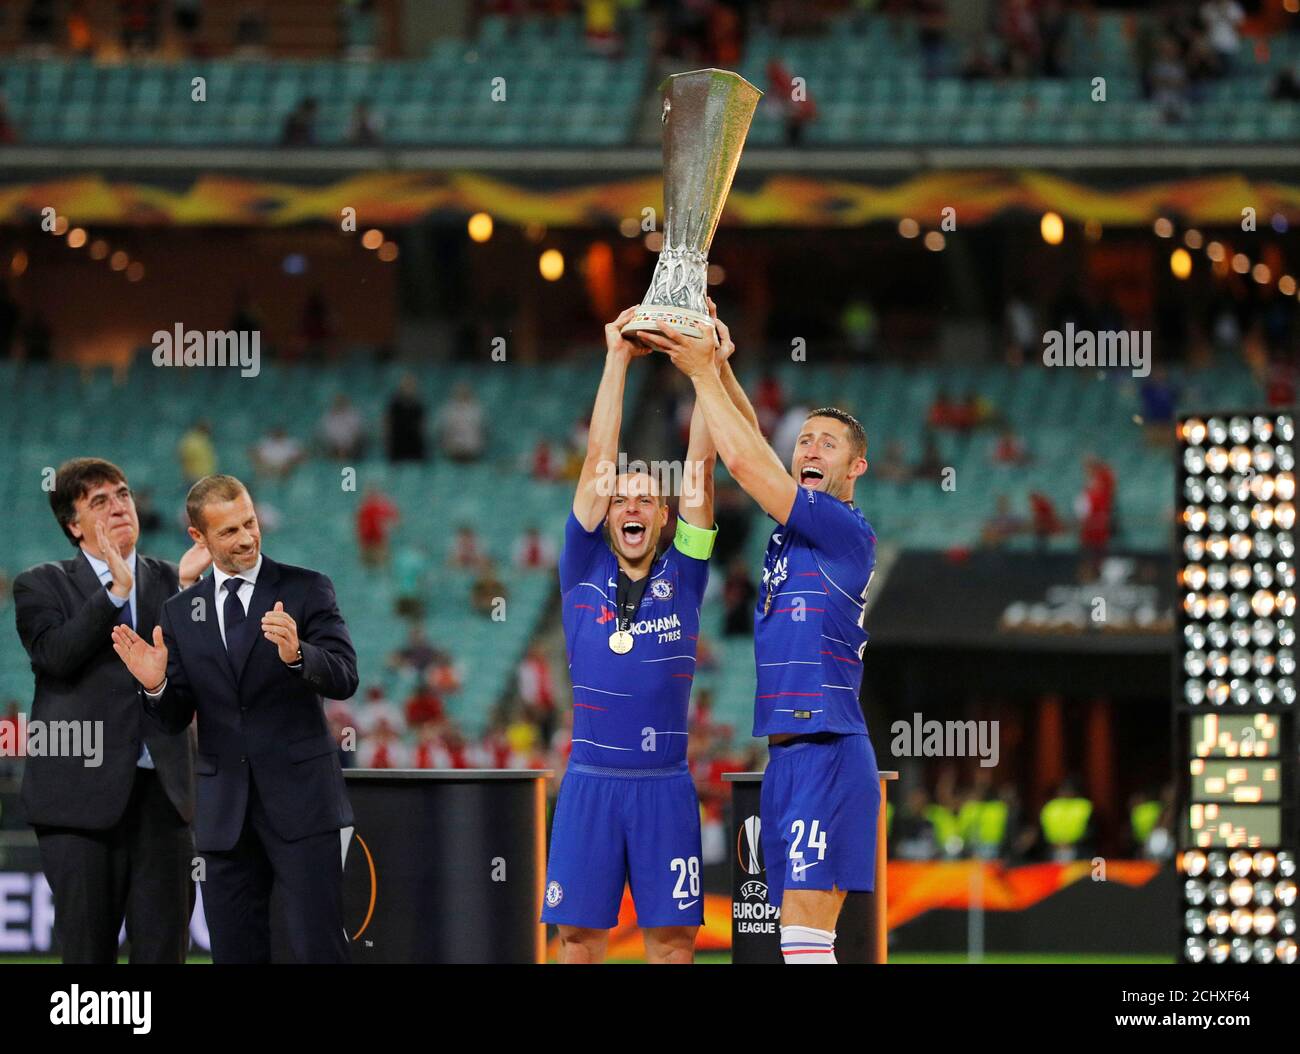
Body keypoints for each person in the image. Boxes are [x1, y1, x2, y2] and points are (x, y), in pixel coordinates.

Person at [646, 296, 880, 966]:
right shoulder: (793, 534)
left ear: (854, 468)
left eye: (827, 443)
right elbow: (753, 444)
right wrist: (717, 366)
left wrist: (698, 376)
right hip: (788, 753)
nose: (810, 448)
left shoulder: (842, 530)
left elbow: (747, 466)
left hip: (827, 747)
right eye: (803, 438)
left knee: (807, 944)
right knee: (798, 944)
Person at [110, 474, 358, 964]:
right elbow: (174, 716)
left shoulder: (307, 588)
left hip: (304, 806)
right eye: (228, 531)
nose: (246, 538)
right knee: (235, 954)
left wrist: (298, 655)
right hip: (224, 816)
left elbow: (345, 675)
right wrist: (156, 685)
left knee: (319, 949)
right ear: (198, 538)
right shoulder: (182, 611)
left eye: (249, 523)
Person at [542, 305, 718, 965]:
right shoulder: (581, 566)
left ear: (665, 517)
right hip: (589, 781)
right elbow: (596, 462)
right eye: (621, 499)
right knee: (578, 941)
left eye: (646, 498)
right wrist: (616, 357)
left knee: (672, 945)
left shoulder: (689, 572)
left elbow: (699, 469)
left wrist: (707, 369)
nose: (632, 505)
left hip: (666, 785)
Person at [12, 458, 207, 963]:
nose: (120, 505)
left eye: (122, 493)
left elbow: (197, 683)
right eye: (100, 501)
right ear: (74, 526)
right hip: (78, 803)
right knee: (86, 956)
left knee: (165, 953)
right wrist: (114, 591)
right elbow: (57, 657)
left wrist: (188, 598)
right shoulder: (41, 584)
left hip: (165, 800)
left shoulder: (175, 580)